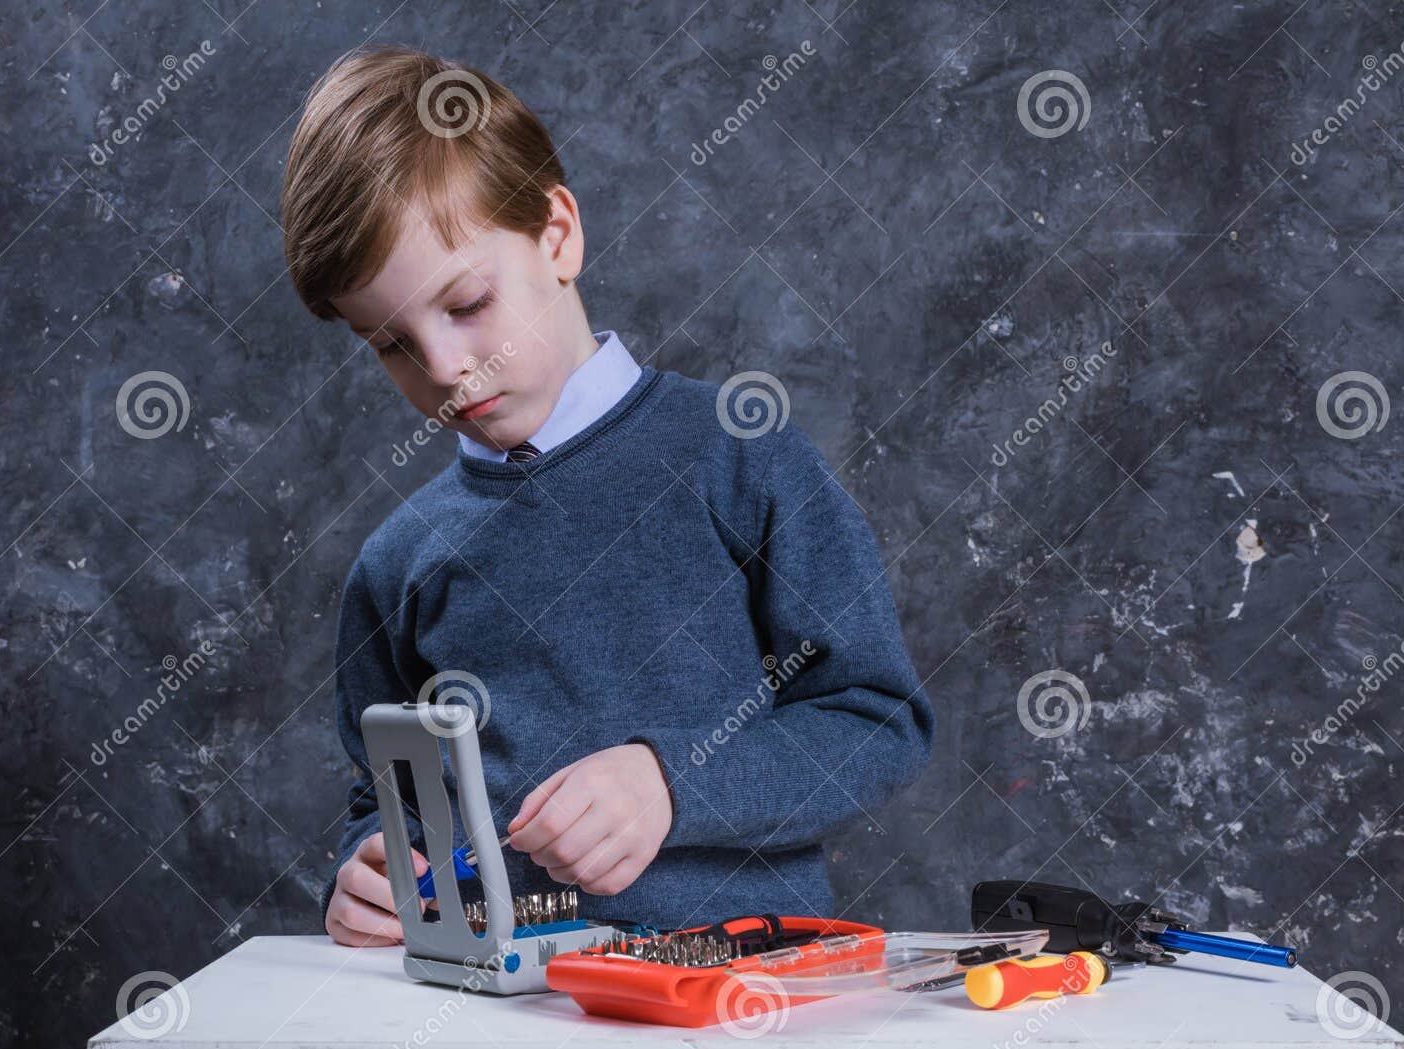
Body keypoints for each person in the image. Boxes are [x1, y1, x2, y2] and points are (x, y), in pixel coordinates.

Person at [279, 44, 936, 946]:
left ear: (557, 236)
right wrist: (367, 868)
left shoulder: (739, 457)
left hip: (742, 1001)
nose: (444, 370)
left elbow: (877, 720)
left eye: (466, 303)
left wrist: (676, 782)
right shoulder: (398, 561)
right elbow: (385, 795)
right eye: (390, 344)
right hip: (494, 1029)